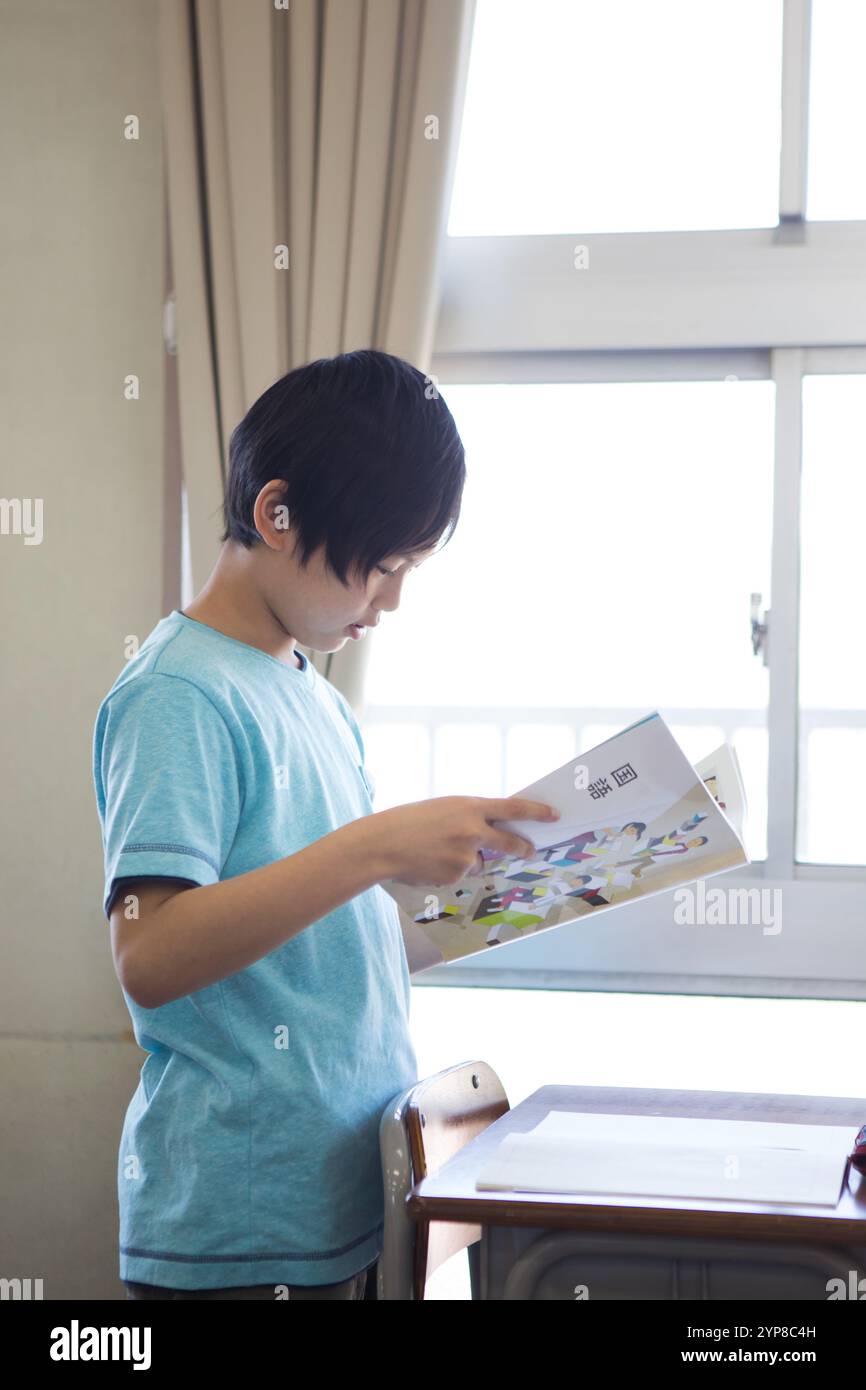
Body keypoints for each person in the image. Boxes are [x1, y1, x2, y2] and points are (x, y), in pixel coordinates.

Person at [92, 349, 560, 1299]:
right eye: (383, 567)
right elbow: (150, 953)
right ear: (276, 514)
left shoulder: (313, 695)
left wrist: (487, 905)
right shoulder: (176, 694)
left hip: (344, 1203)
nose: (390, 603)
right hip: (240, 1225)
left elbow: (313, 940)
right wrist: (379, 844)